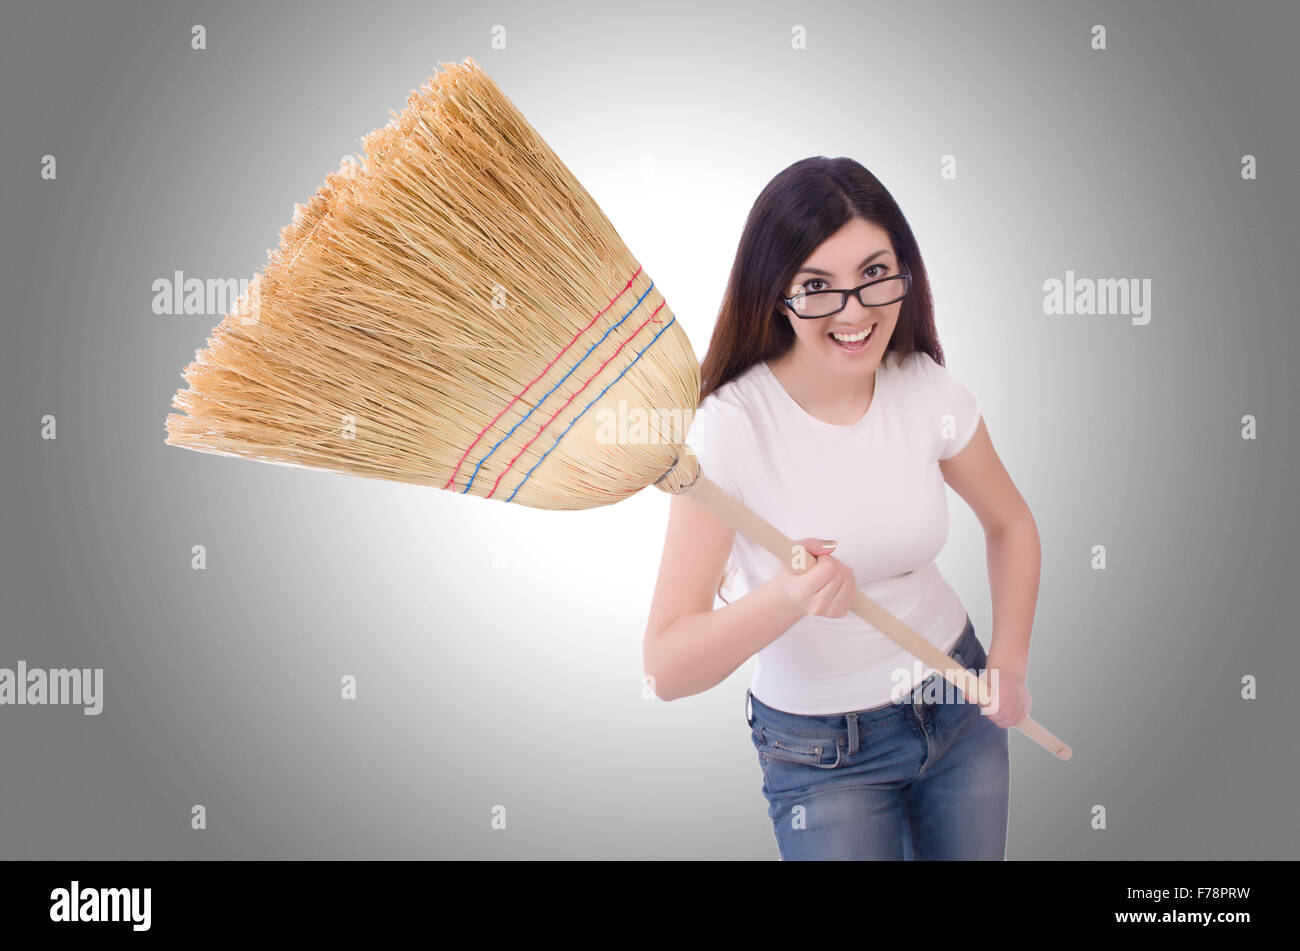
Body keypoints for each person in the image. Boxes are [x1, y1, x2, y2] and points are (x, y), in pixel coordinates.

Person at [642, 157, 1041, 860]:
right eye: (818, 287)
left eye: (874, 274)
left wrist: (1007, 661)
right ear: (775, 294)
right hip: (824, 758)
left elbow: (1011, 524)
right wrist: (789, 598)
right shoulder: (727, 429)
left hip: (959, 707)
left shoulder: (922, 385)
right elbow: (665, 668)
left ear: (904, 271)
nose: (854, 312)